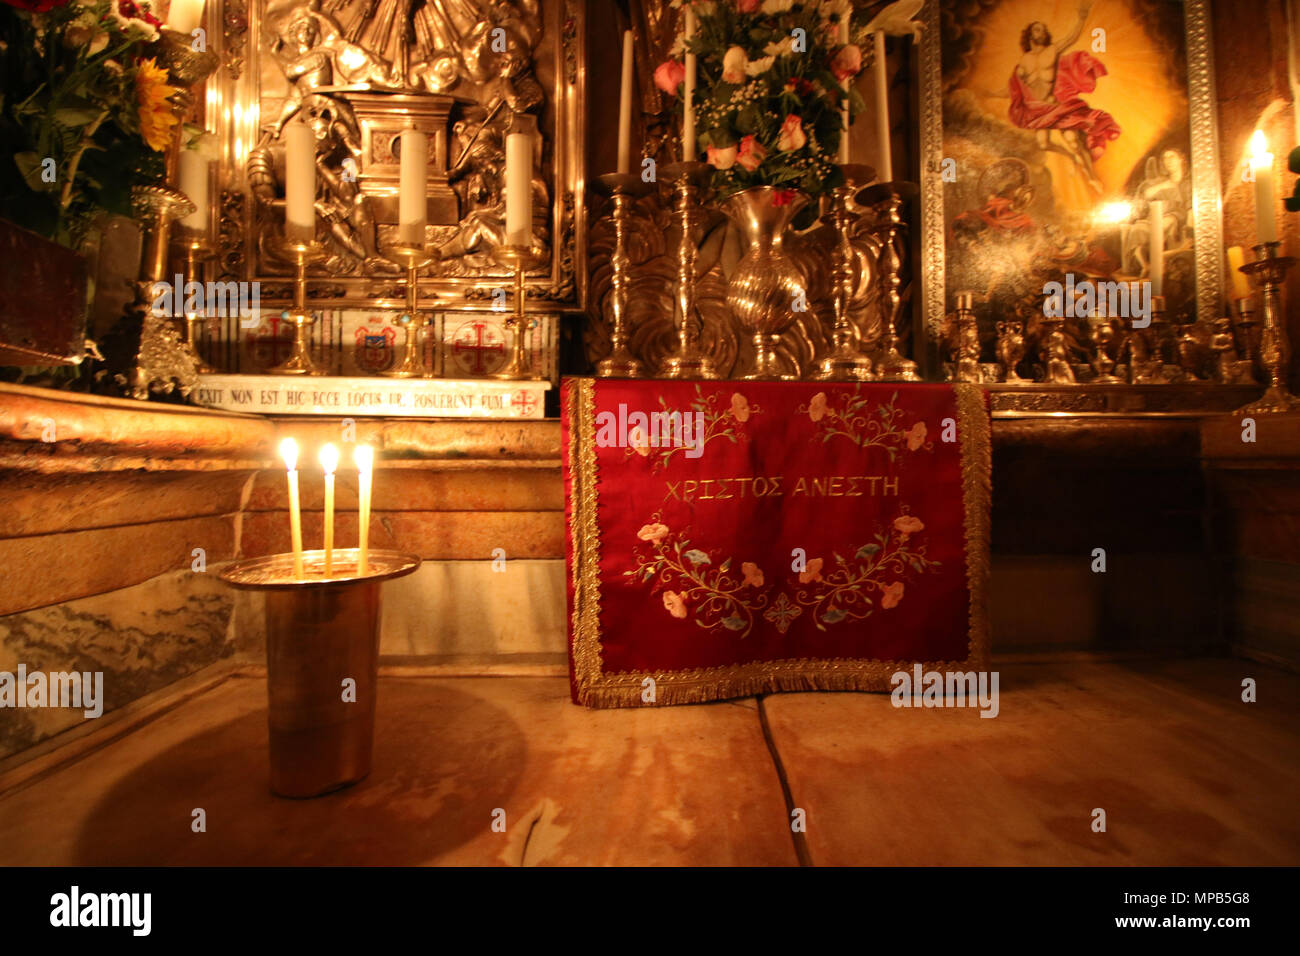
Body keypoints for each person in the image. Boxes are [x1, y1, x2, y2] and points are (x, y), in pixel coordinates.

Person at [1005, 1, 1119, 193]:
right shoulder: (1023, 61)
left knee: (1074, 142)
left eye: (1042, 30)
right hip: (1036, 112)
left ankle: (1093, 179)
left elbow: (1071, 38)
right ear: (1030, 34)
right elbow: (1015, 88)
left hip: (1054, 107)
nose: (1039, 32)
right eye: (1036, 29)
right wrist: (991, 94)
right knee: (1043, 144)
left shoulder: (1052, 51)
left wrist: (1081, 18)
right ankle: (1070, 156)